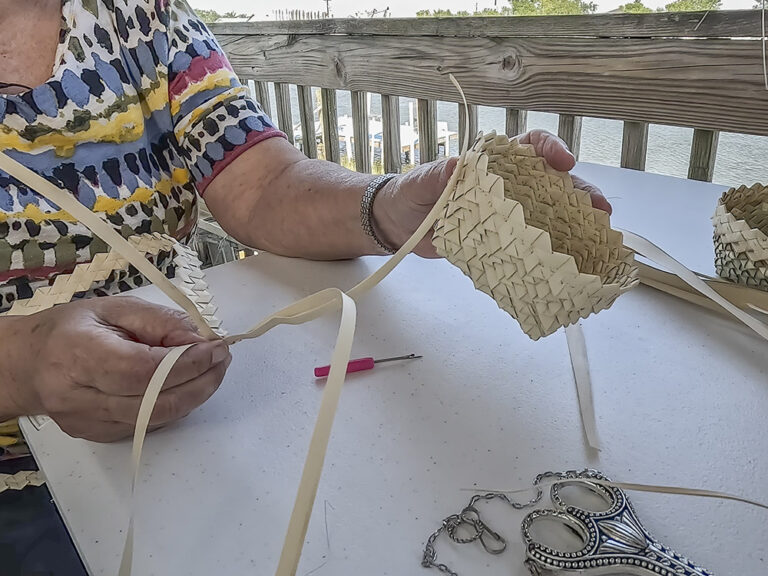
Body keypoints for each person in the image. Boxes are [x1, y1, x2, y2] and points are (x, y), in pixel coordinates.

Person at [0, 0, 609, 443]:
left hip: (188, 432)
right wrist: (25, 368)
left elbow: (263, 184)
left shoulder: (142, 19)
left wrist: (391, 207)